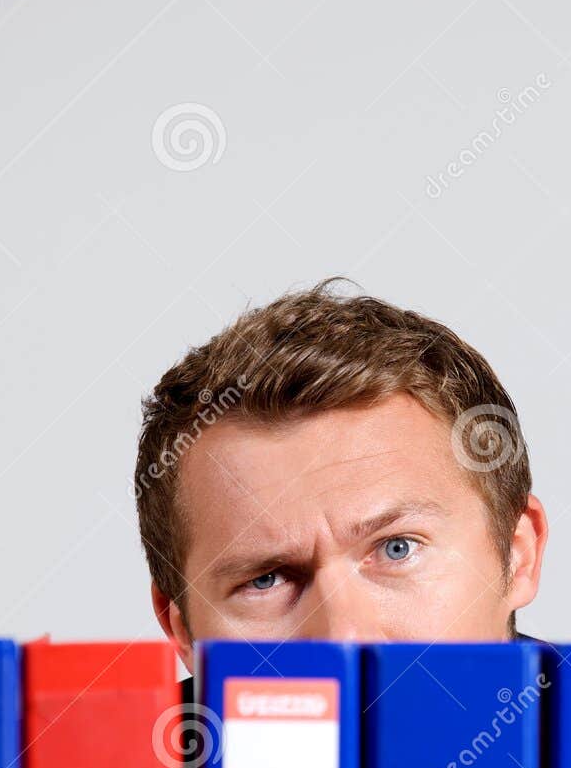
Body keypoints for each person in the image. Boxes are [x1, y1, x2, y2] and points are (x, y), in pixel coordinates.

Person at [134, 280, 547, 672]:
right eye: (266, 580)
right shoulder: (129, 746)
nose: (344, 638)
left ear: (517, 556)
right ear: (183, 631)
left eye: (397, 548)